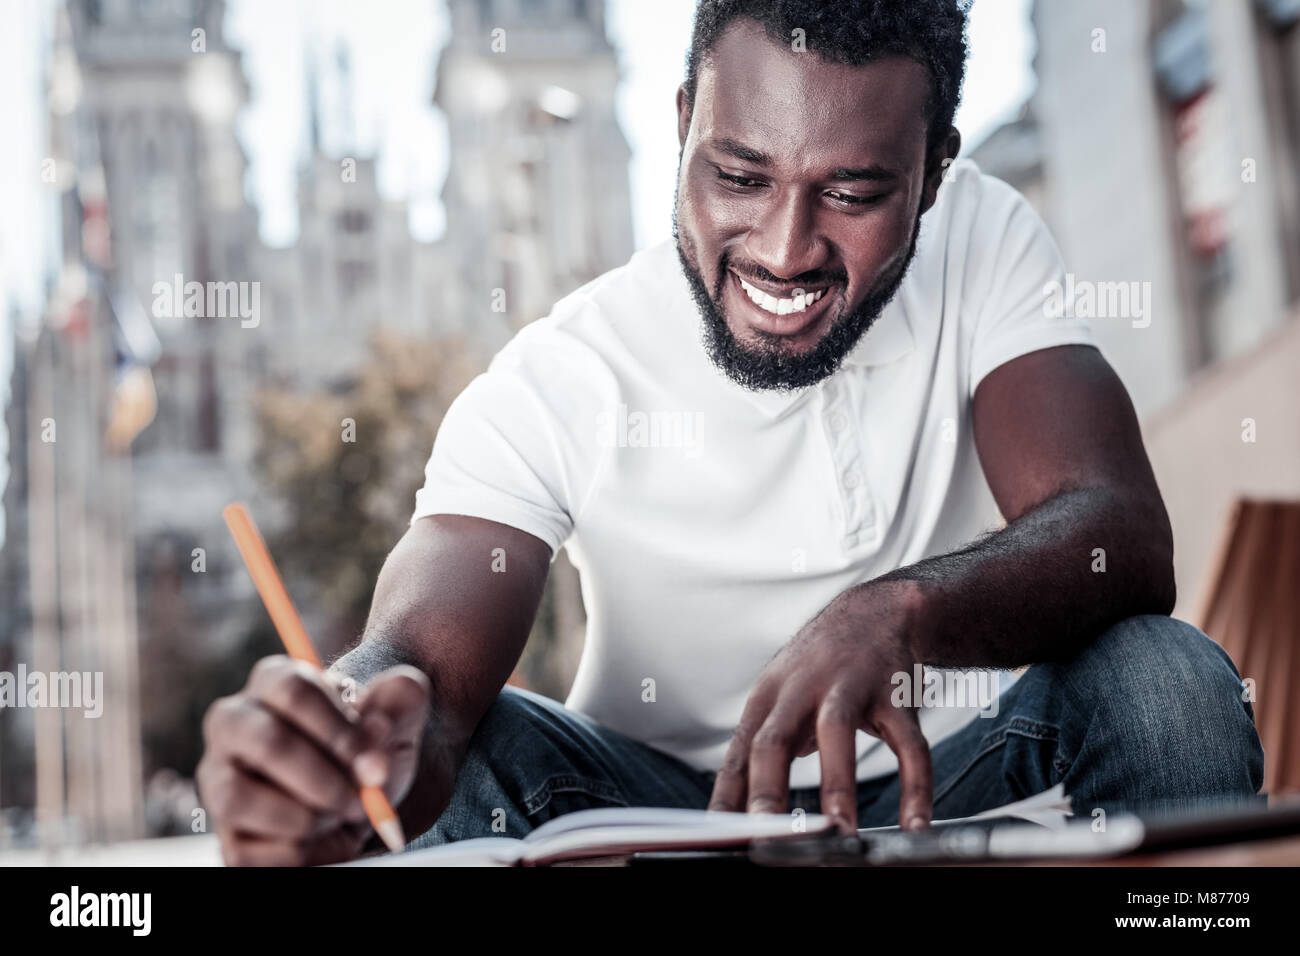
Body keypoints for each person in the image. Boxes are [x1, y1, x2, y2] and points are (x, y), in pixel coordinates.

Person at [197, 0, 1264, 866]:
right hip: (666, 814)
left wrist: (899, 610)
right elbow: (421, 675)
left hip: (959, 780)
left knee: (1163, 677)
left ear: (933, 172)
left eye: (851, 192)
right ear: (681, 125)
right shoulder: (562, 373)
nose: (785, 249)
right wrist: (342, 737)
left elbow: (1119, 529)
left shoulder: (981, 234)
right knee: (476, 753)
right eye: (739, 176)